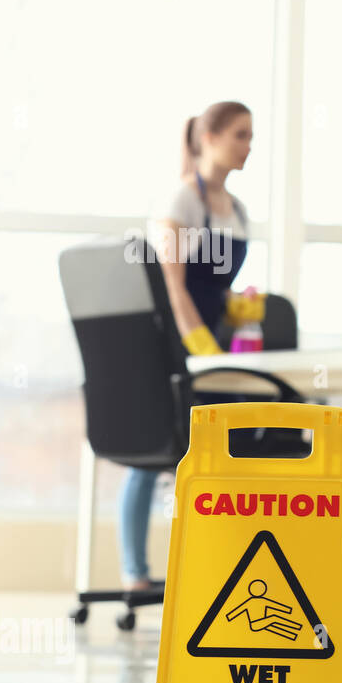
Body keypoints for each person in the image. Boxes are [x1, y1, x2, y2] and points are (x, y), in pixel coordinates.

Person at [118, 101, 263, 591]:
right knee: (154, 450)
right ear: (211, 136)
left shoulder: (237, 210)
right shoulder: (181, 201)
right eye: (241, 134)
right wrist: (195, 343)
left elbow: (214, 285)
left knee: (210, 452)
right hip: (172, 343)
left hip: (214, 343)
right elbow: (173, 284)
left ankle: (210, 565)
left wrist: (236, 305)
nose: (249, 145)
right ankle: (135, 572)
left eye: (251, 135)